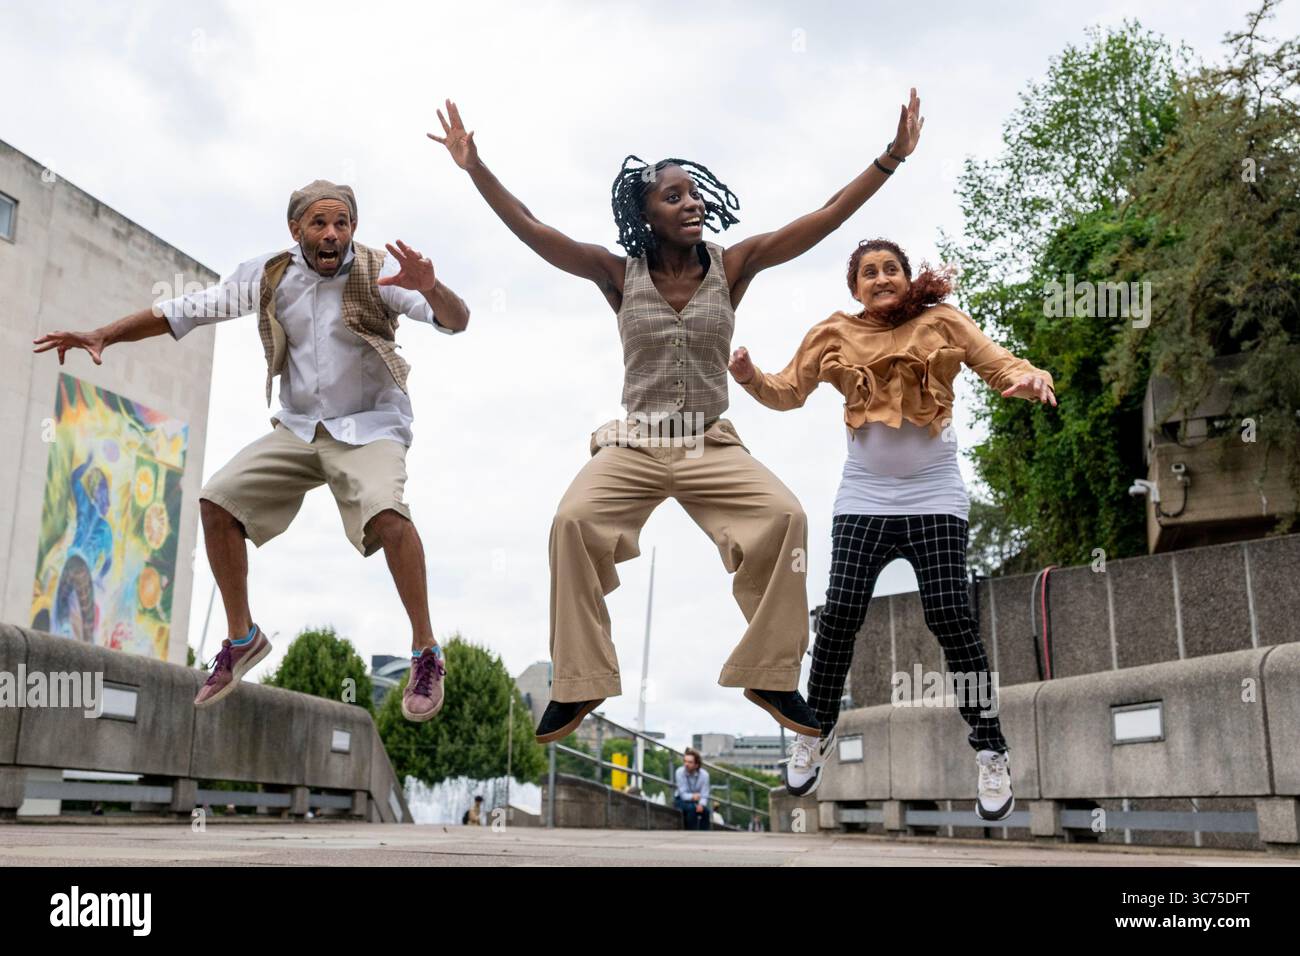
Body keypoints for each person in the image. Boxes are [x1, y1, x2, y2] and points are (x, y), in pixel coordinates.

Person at [428, 93, 925, 743]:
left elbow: (825, 218)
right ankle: (578, 683)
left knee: (785, 518)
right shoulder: (616, 273)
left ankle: (771, 673)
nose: (691, 203)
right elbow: (530, 225)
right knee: (572, 522)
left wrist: (890, 158)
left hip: (710, 444)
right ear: (646, 215)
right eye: (673, 197)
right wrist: (476, 167)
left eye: (694, 194)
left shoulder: (733, 265)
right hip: (636, 443)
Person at [33, 180, 471, 723]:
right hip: (299, 429)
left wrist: (432, 289)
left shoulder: (380, 271)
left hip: (371, 426)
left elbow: (456, 321)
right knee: (217, 502)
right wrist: (105, 334)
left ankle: (426, 650)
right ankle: (242, 637)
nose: (333, 235)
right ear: (297, 231)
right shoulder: (270, 275)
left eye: (343, 224)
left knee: (387, 511)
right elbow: (186, 311)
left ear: (353, 228)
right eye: (320, 224)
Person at [728, 238, 1057, 820]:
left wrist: (1028, 377)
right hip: (865, 497)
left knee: (951, 616)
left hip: (934, 496)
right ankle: (814, 729)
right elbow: (787, 391)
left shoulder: (943, 321)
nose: (881, 277)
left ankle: (991, 752)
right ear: (854, 286)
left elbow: (997, 360)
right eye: (869, 272)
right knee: (841, 612)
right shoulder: (834, 333)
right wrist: (752, 377)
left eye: (892, 269)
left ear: (907, 278)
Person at [673, 748, 711, 831]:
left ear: (697, 765)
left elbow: (704, 795)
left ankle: (705, 835)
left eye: (690, 762)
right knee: (692, 809)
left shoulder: (704, 775)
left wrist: (701, 804)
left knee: (706, 811)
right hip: (680, 800)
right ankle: (691, 833)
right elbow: (683, 794)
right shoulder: (679, 772)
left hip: (697, 801)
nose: (686, 764)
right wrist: (694, 796)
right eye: (685, 761)